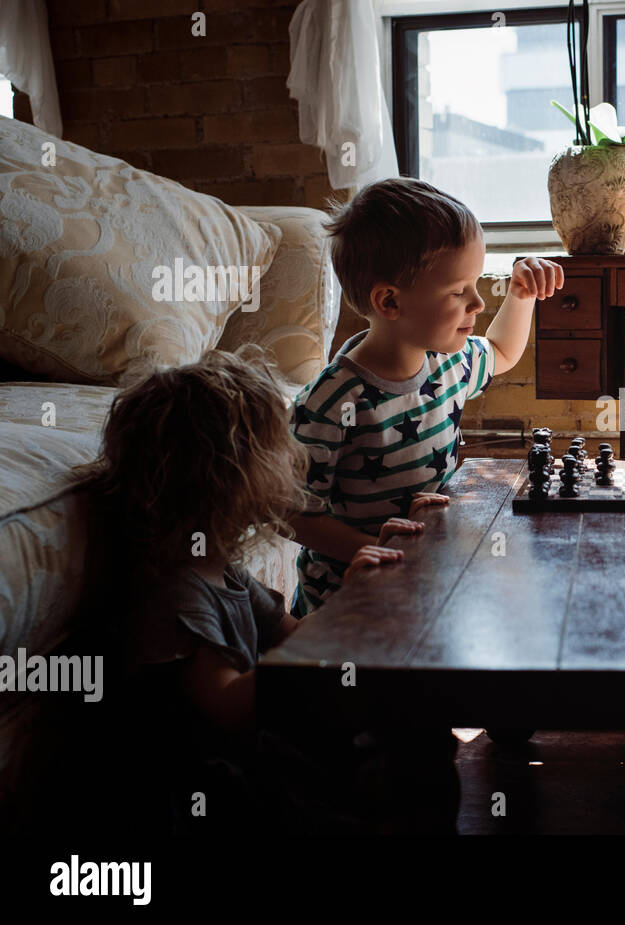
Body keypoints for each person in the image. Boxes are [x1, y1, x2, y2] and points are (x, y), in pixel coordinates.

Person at [19, 347, 435, 836]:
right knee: (387, 775)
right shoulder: (178, 592)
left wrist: (357, 593)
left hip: (245, 760)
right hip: (199, 790)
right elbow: (230, 709)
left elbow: (294, 639)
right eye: (279, 450)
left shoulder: (223, 571)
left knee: (414, 738)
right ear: (229, 479)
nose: (293, 459)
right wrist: (342, 617)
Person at [288, 177, 560, 747]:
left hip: (431, 574)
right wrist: (361, 548)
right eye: (460, 291)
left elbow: (505, 351)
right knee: (373, 727)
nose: (477, 304)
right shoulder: (331, 403)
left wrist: (522, 296)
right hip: (352, 594)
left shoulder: (450, 365)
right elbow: (291, 510)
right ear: (390, 302)